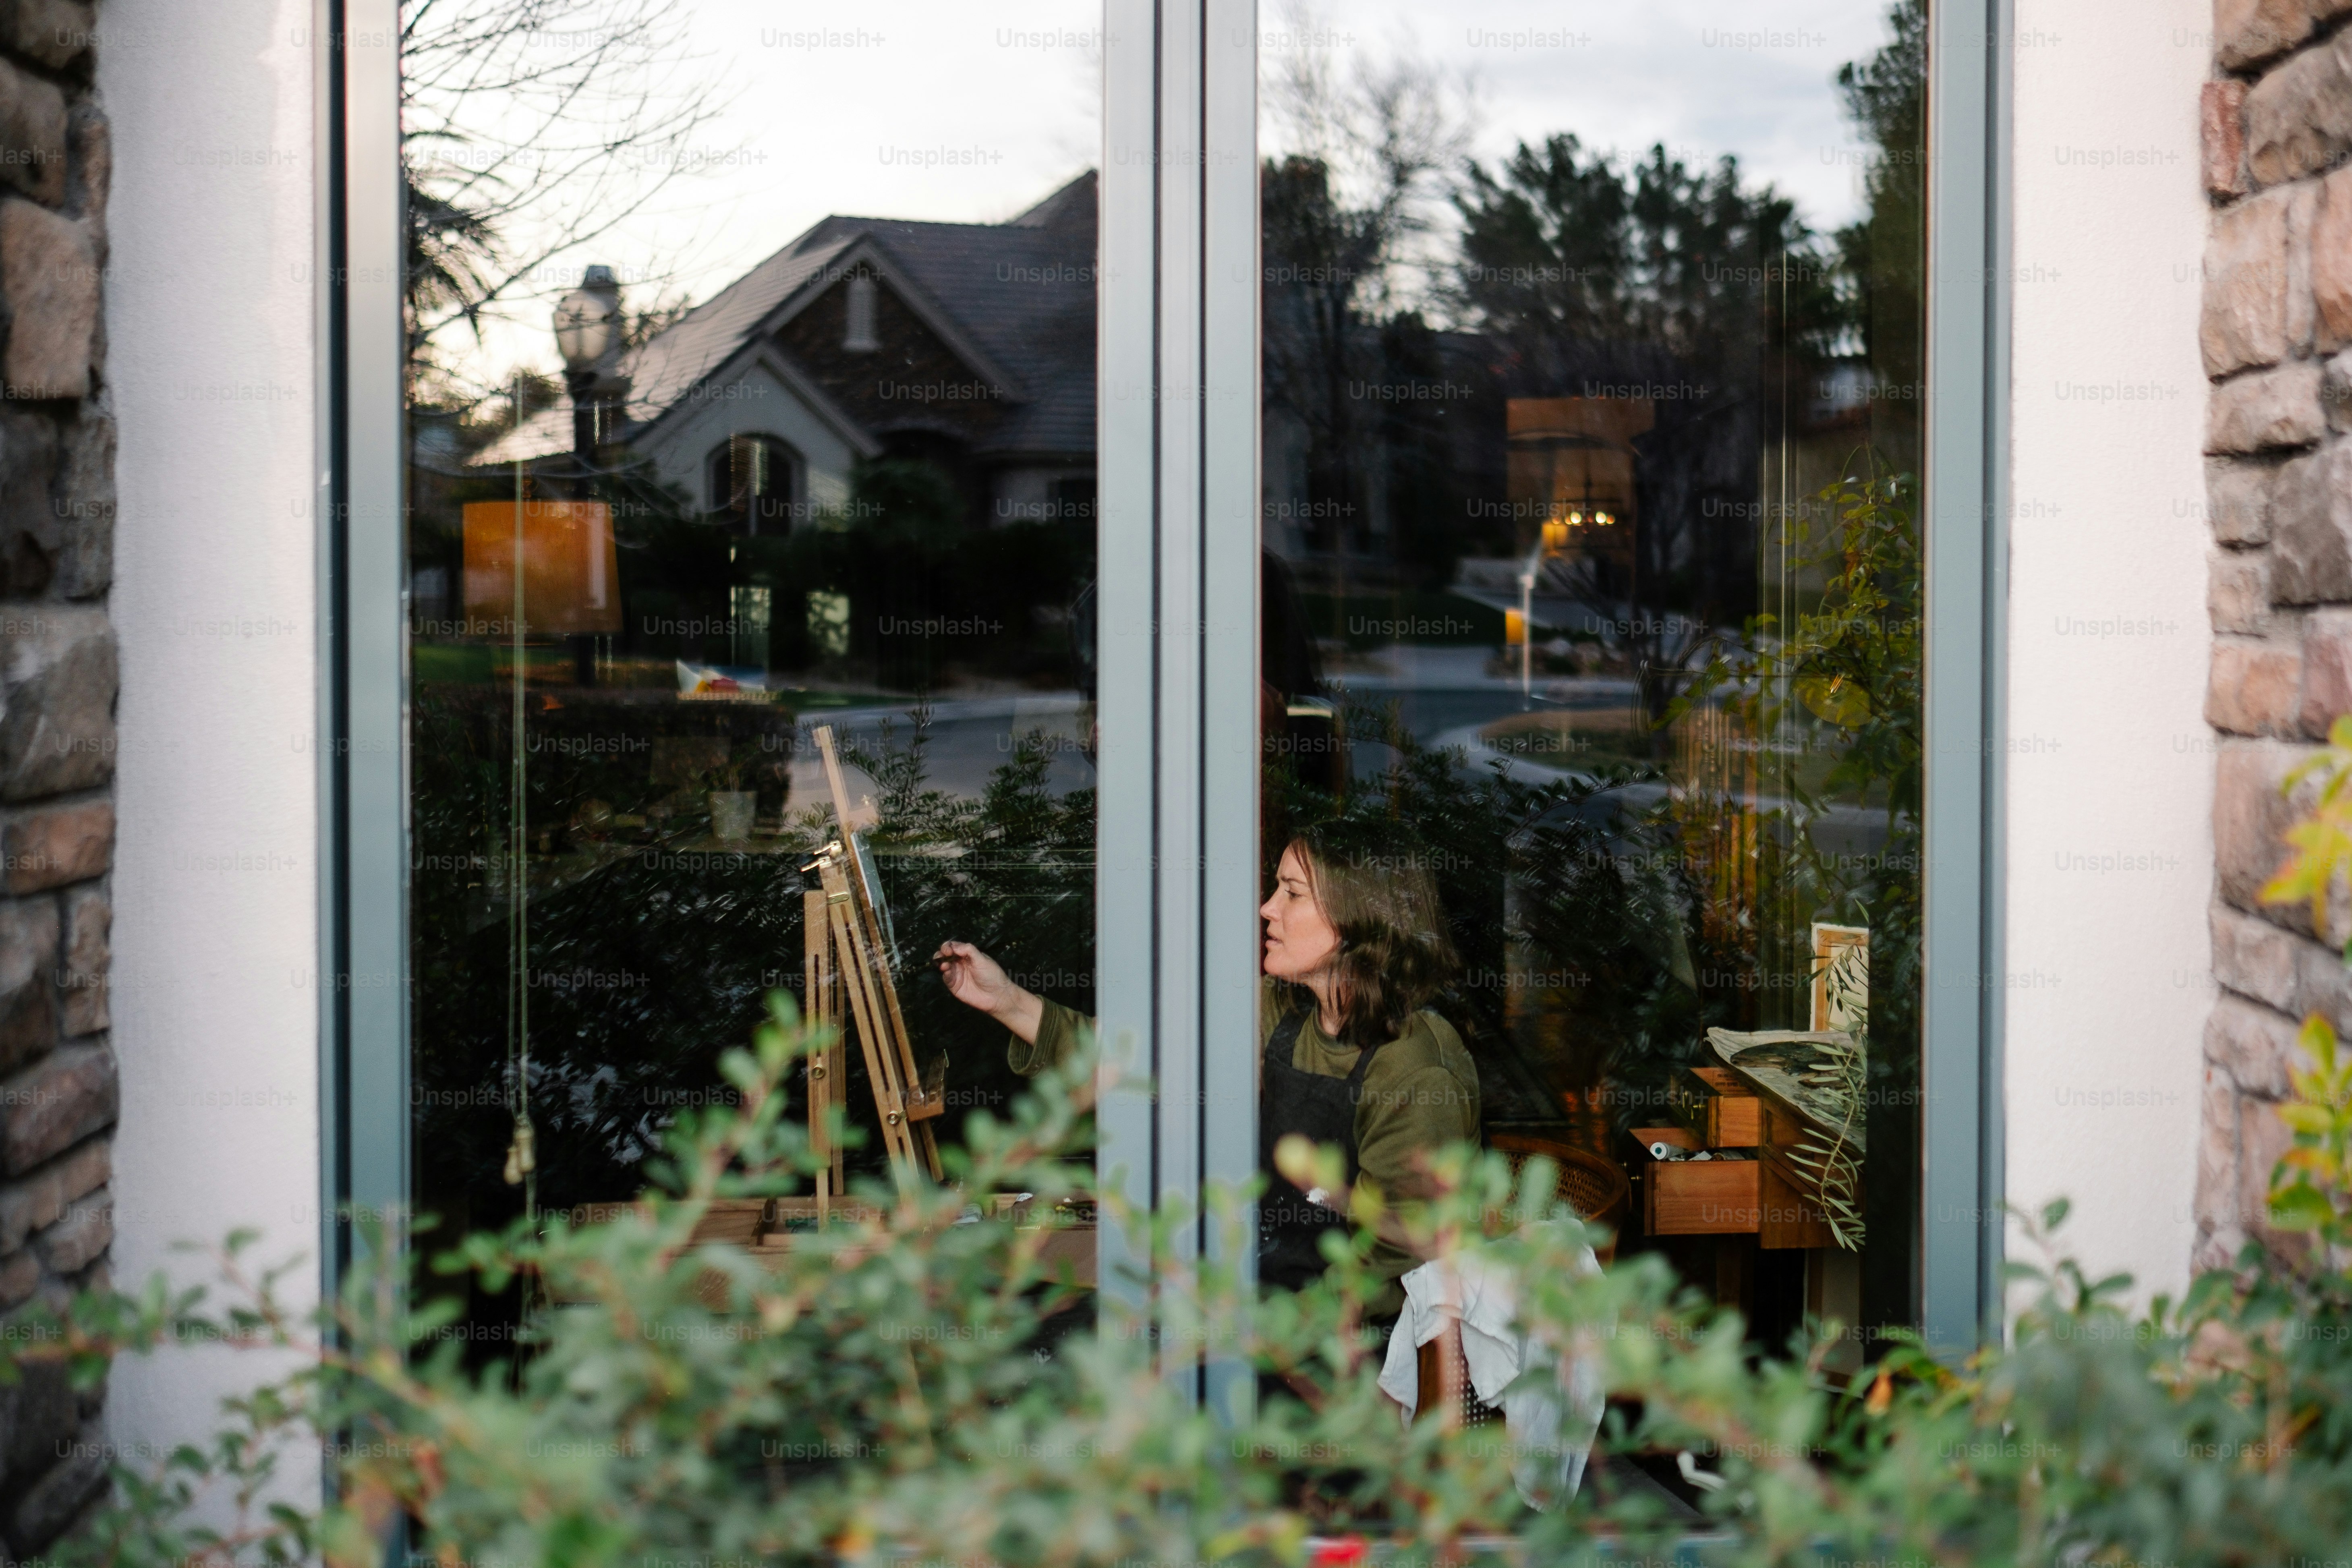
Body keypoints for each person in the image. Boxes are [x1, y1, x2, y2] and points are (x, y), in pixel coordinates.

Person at [934, 830, 1479, 1317]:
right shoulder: (1281, 1013)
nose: (1267, 908)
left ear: (1357, 915)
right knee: (1029, 1321)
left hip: (1337, 1352)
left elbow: (1398, 1267)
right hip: (1253, 1299)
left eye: (1292, 892)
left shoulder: (1414, 1065)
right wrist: (1006, 1000)